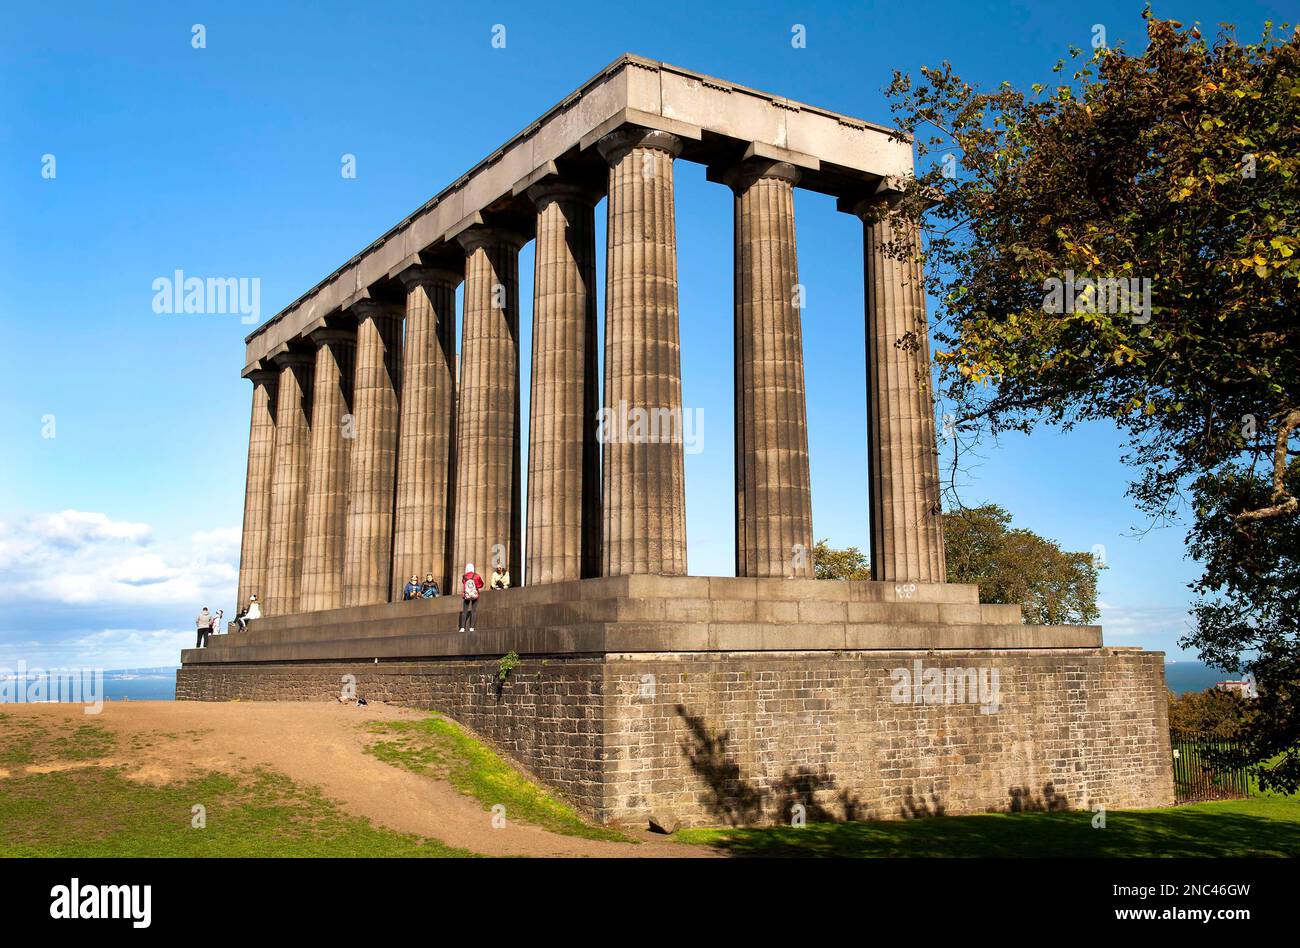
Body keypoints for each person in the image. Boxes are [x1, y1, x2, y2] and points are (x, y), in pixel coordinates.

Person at [459, 563, 484, 634]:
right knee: (474, 611)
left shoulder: (464, 576)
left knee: (464, 611)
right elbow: (481, 584)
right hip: (475, 595)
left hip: (466, 595)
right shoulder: (477, 576)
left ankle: (462, 627)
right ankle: (472, 627)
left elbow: (463, 583)